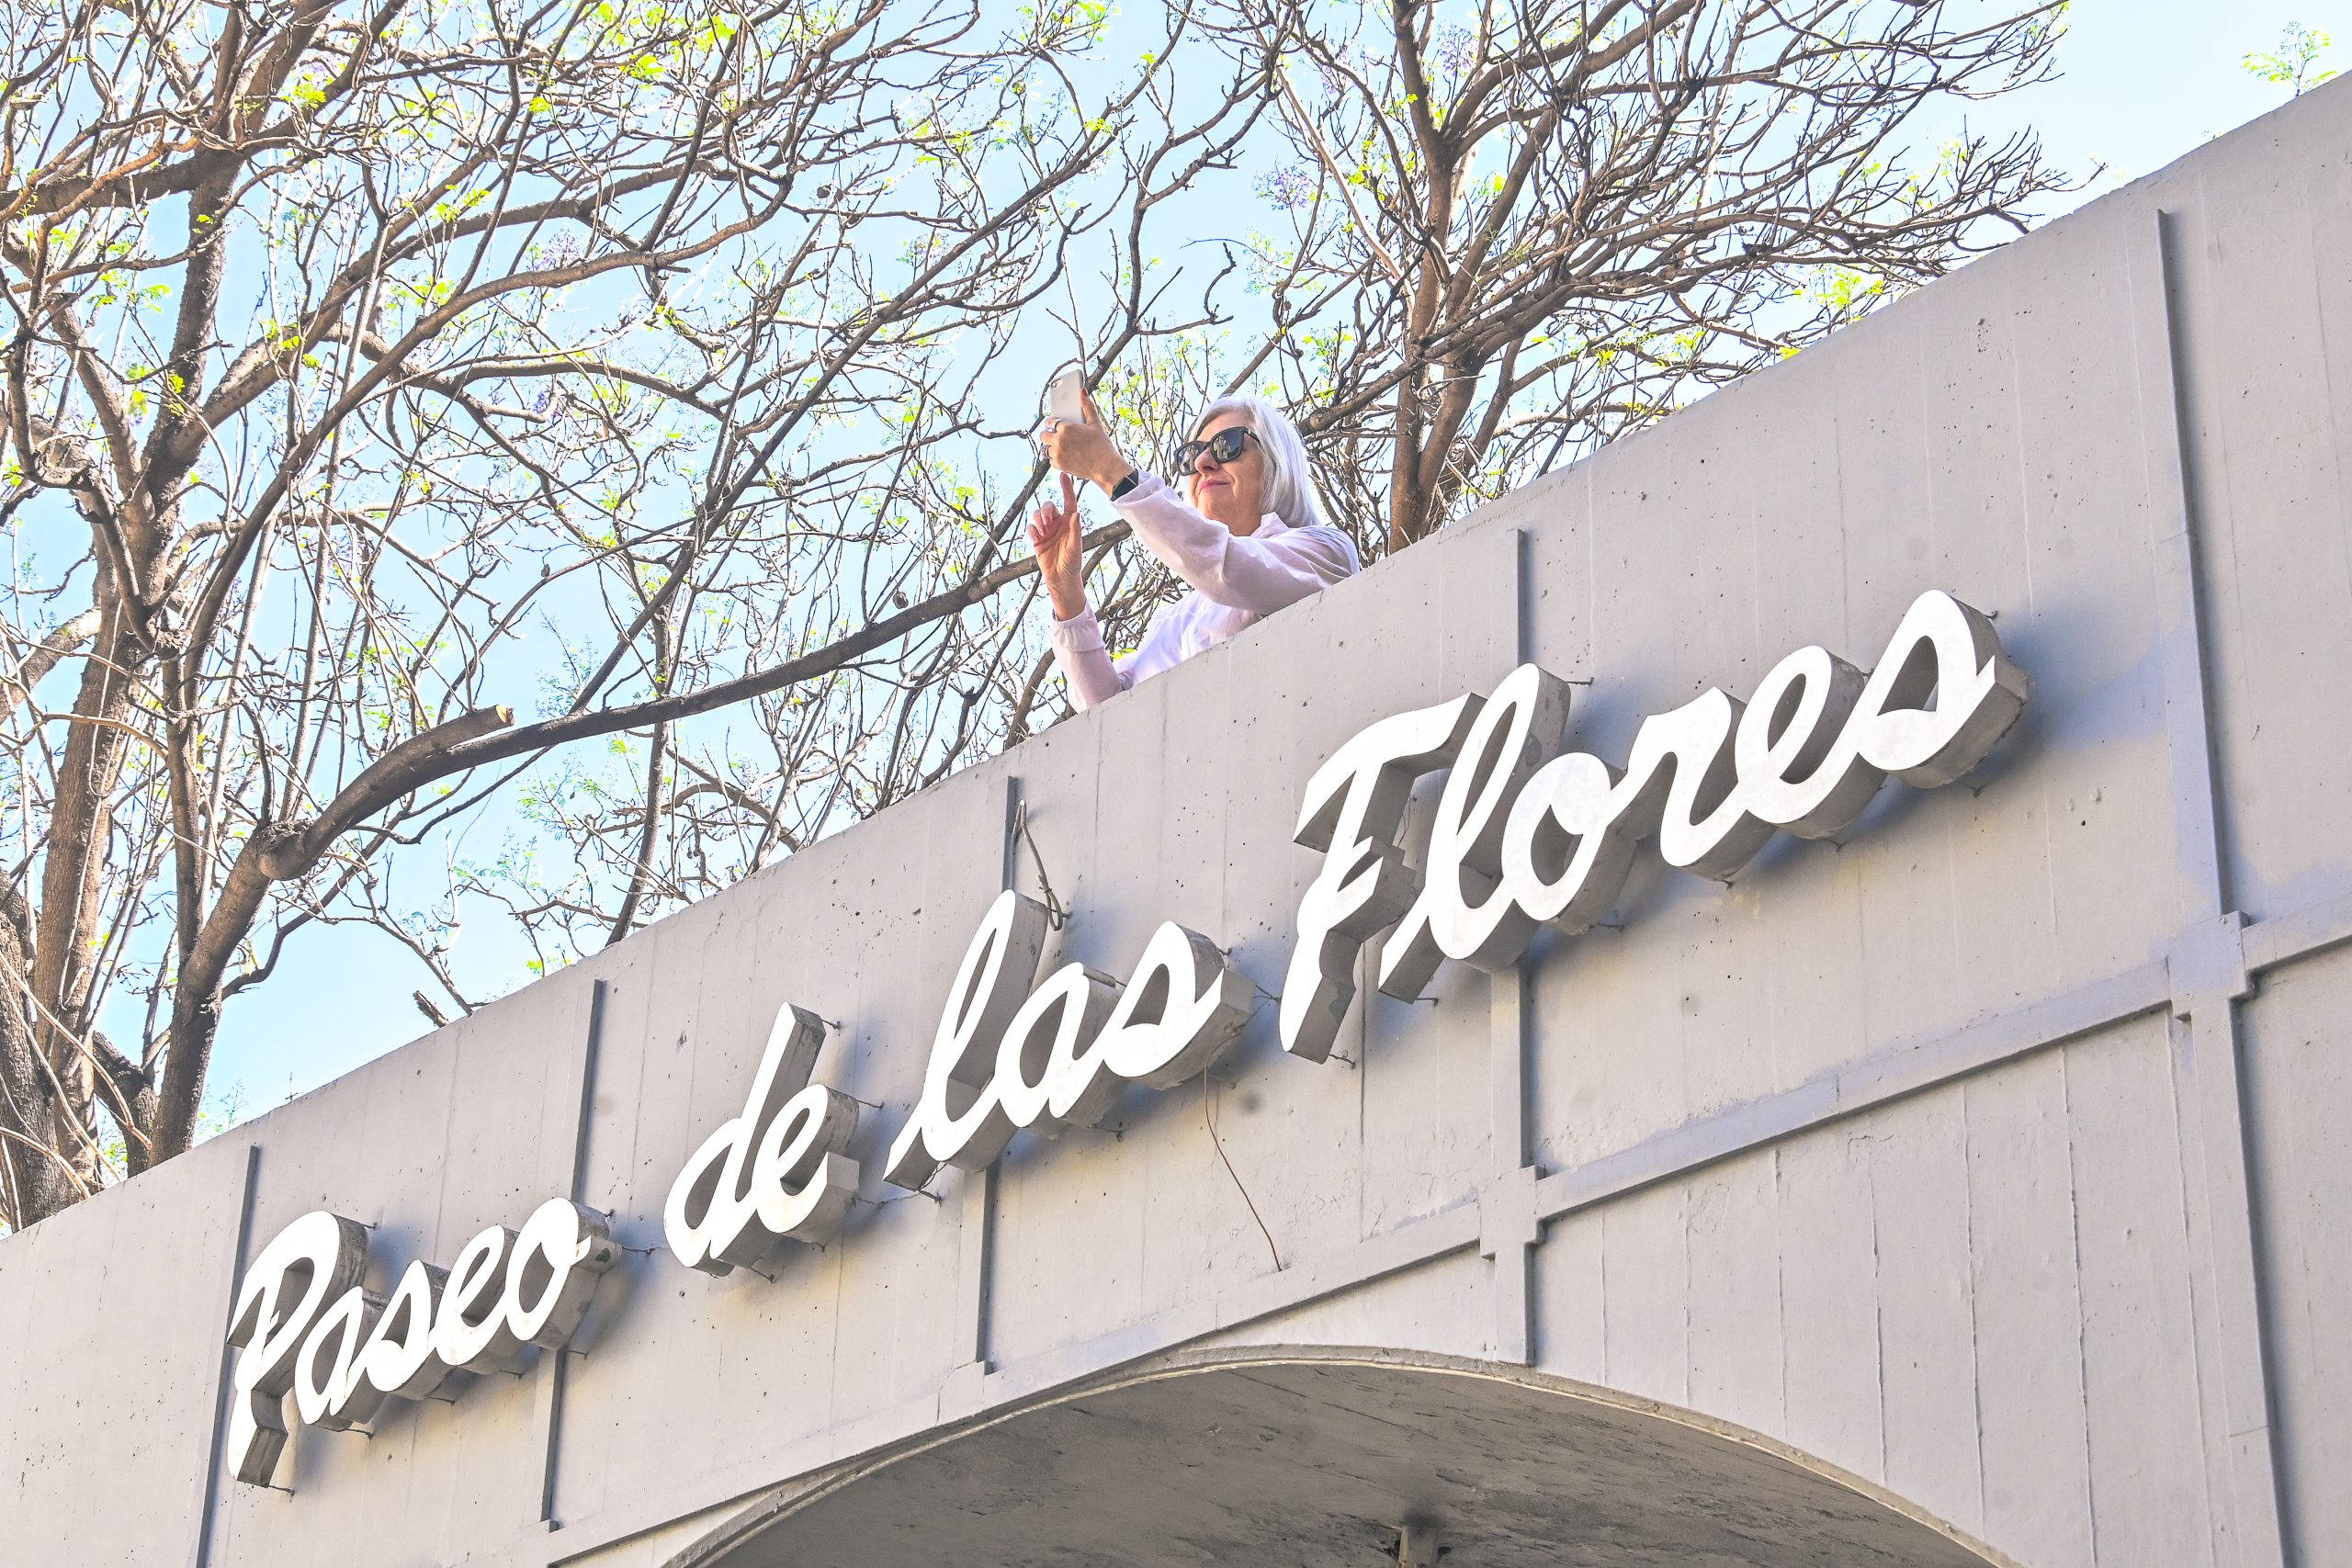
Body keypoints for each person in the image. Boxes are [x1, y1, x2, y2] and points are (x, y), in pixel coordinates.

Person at [1030, 390, 1361, 710]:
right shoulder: (1174, 620)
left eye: (1227, 445)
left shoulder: (1326, 552)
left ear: (1276, 460)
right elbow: (1105, 711)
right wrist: (1065, 591)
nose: (1203, 462)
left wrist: (1110, 471)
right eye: (1191, 454)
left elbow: (1229, 569)